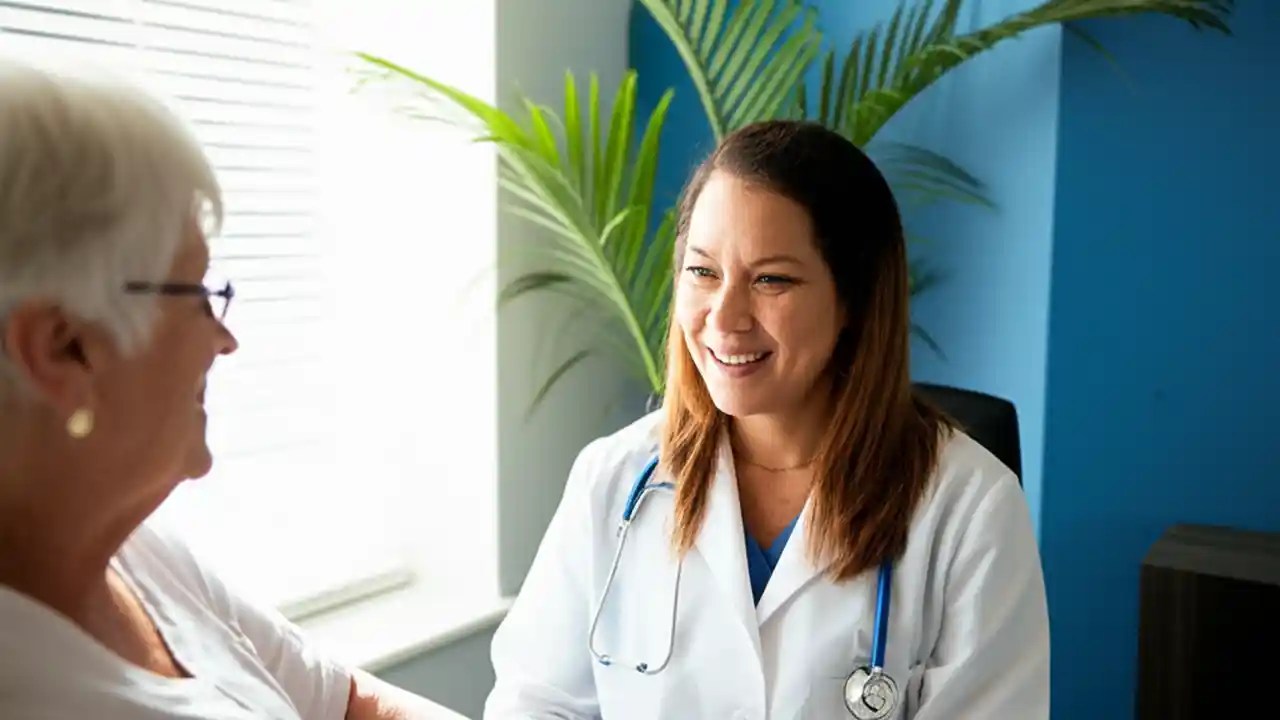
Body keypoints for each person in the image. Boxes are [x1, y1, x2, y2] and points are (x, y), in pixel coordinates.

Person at [485, 120, 1050, 719]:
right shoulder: (614, 480)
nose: (724, 317)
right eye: (703, 272)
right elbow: (535, 704)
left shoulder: (969, 509)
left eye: (771, 280)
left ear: (853, 301)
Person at [0, 58, 462, 719]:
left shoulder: (138, 550)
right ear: (61, 348)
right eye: (197, 293)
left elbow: (348, 702)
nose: (224, 339)